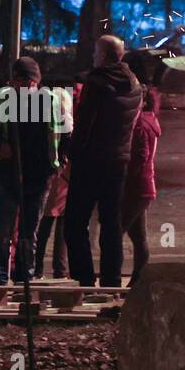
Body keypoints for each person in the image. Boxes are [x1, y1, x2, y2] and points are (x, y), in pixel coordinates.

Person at [0, 57, 60, 285]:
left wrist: (60, 158)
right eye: (19, 81)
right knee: (3, 230)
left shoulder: (49, 102)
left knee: (29, 232)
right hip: (8, 173)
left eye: (28, 82)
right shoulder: (2, 102)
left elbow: (64, 132)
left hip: (38, 176)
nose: (24, 86)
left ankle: (24, 277)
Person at [64, 35, 142, 288]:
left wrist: (71, 155)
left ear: (105, 55)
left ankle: (83, 279)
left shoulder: (96, 83)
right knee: (111, 223)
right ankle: (111, 280)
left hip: (91, 161)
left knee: (75, 222)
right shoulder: (134, 83)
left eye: (96, 52)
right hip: (119, 161)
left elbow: (85, 124)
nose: (93, 56)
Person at [35, 82, 77, 279]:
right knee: (60, 228)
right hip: (64, 180)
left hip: (51, 178)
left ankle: (36, 268)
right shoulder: (69, 125)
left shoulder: (47, 123)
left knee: (43, 226)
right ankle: (59, 270)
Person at [121, 85, 161, 286]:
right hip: (145, 186)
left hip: (137, 187)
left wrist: (127, 174)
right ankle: (139, 278)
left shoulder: (140, 124)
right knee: (138, 235)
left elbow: (141, 155)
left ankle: (128, 277)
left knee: (116, 230)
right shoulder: (150, 120)